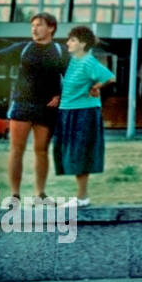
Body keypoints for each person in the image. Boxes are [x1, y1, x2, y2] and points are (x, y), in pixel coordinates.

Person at [0, 14, 69, 207]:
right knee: (16, 150)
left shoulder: (60, 51)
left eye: (39, 25)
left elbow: (74, 77)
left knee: (41, 151)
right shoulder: (23, 48)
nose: (34, 29)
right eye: (32, 25)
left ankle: (40, 195)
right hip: (22, 104)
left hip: (47, 108)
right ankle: (14, 196)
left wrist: (60, 96)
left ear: (51, 28)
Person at [54, 27, 116, 207]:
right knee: (69, 154)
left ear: (82, 44)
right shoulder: (72, 61)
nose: (68, 43)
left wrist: (96, 87)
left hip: (83, 112)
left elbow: (110, 77)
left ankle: (82, 197)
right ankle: (80, 196)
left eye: (72, 40)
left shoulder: (88, 61)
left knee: (79, 153)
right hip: (67, 111)